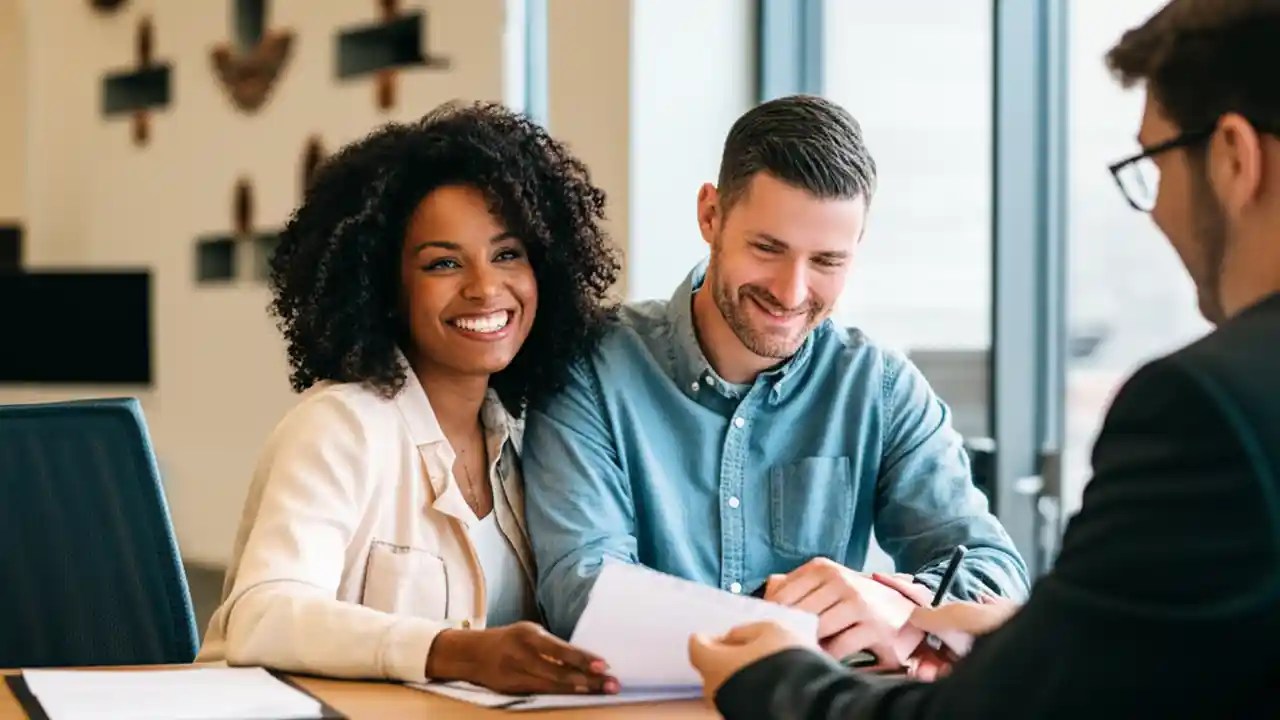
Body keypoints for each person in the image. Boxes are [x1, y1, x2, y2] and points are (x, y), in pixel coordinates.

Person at [690, 1, 1280, 717]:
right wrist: (1018, 632)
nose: (1152, 209)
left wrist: (771, 677)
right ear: (711, 217)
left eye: (1153, 165)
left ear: (1234, 158)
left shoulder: (1208, 406)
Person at [522, 94, 1029, 668]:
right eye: (768, 248)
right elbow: (584, 596)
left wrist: (894, 605)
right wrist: (789, 626)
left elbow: (996, 570)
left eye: (827, 262)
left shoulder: (881, 388)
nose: (791, 293)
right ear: (710, 215)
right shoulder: (591, 369)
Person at [196, 101, 624, 695]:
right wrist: (455, 652)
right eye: (443, 263)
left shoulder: (528, 442)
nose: (484, 287)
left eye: (507, 254)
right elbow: (263, 615)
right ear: (386, 287)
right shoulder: (340, 426)